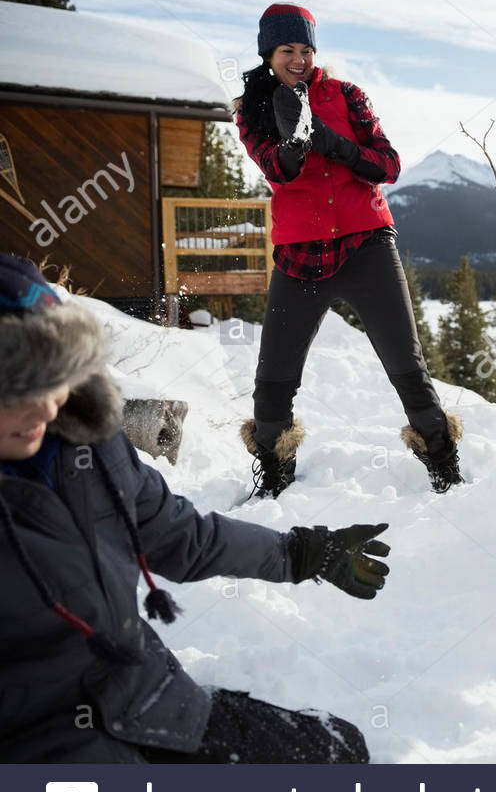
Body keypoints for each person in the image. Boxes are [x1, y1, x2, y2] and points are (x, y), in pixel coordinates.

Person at [0, 255, 390, 762]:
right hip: (48, 756)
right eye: (15, 389)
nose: (45, 408)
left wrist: (302, 553)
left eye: (53, 378)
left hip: (151, 701)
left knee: (341, 753)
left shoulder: (86, 445)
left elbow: (180, 535)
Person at [234, 2, 460, 497]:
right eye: (287, 49)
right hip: (299, 257)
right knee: (273, 377)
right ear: (268, 53)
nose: (298, 58)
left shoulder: (348, 95)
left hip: (366, 246)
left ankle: (445, 468)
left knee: (407, 366)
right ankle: (274, 477)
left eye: (306, 49)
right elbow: (275, 168)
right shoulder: (251, 109)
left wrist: (334, 144)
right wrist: (294, 145)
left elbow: (389, 164)